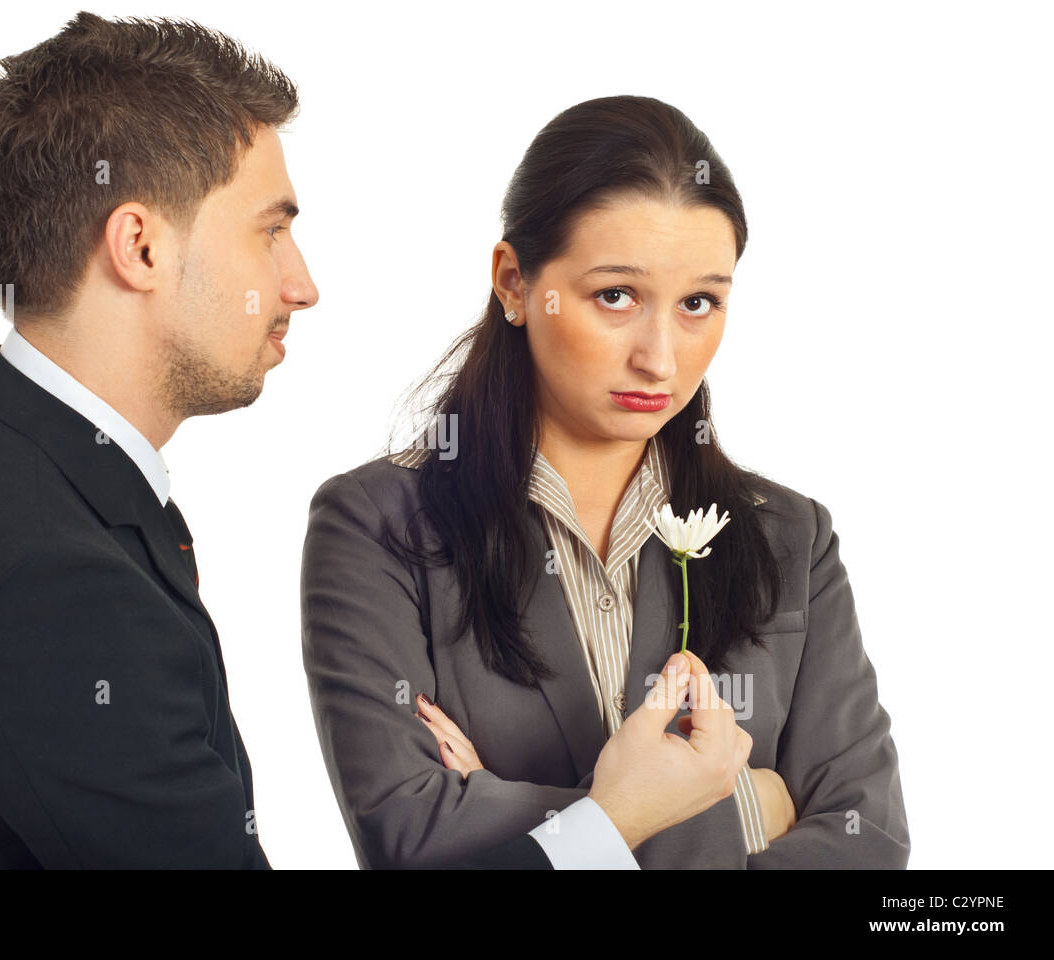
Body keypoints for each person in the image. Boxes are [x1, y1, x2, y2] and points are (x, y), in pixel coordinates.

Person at [0, 13, 745, 869]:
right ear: (140, 246)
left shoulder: (21, 470)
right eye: (271, 229)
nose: (301, 283)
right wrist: (617, 817)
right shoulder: (52, 569)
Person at [300, 95, 911, 868]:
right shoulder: (378, 525)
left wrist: (541, 815)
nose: (660, 358)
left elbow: (869, 840)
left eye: (699, 303)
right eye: (615, 295)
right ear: (515, 283)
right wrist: (750, 807)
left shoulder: (791, 535)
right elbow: (411, 840)